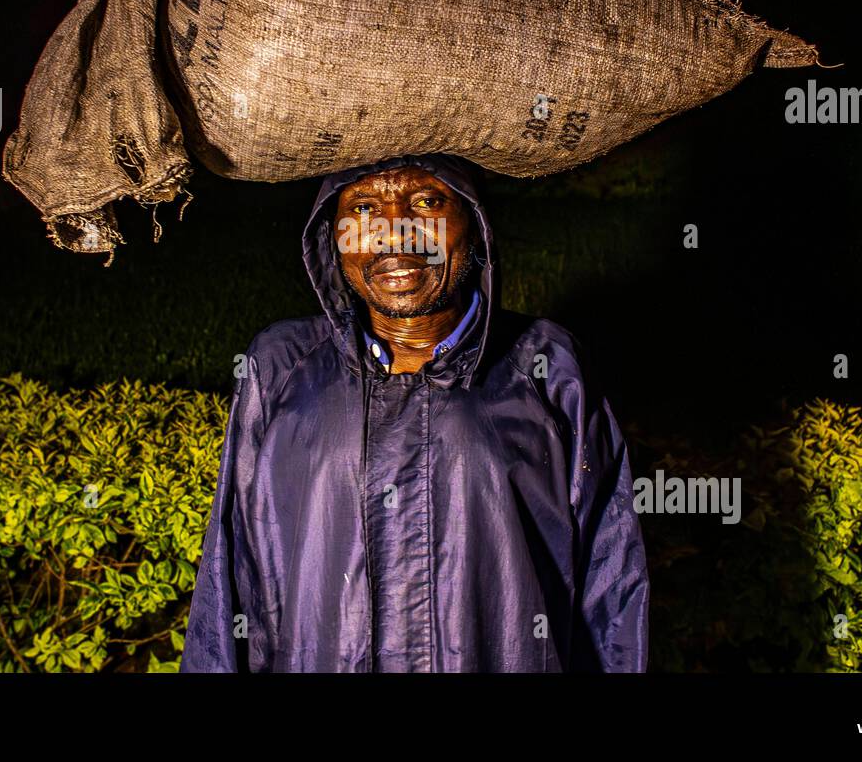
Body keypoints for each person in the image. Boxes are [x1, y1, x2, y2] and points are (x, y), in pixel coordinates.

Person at [180, 153, 649, 672]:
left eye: (426, 202)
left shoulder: (546, 365)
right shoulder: (282, 366)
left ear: (475, 224)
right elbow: (233, 571)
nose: (393, 231)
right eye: (361, 207)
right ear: (331, 238)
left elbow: (610, 584)